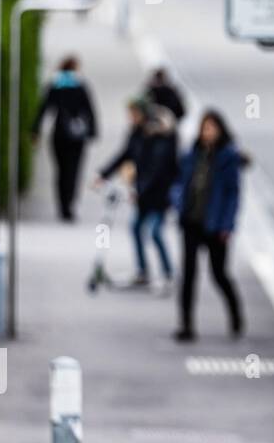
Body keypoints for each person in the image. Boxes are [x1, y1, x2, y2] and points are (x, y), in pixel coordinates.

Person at [171, 109, 247, 342]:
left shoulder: (228, 157)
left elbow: (233, 195)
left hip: (216, 226)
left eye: (211, 128)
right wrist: (177, 202)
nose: (207, 133)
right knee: (188, 276)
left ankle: (236, 317)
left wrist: (227, 226)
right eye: (204, 128)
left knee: (219, 274)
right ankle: (186, 324)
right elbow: (179, 181)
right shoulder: (193, 153)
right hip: (191, 221)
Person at [95, 98, 179, 292]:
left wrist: (140, 191)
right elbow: (125, 154)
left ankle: (168, 274)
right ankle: (143, 271)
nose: (130, 118)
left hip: (160, 193)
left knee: (155, 232)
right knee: (136, 228)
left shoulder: (162, 135)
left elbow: (158, 169)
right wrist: (103, 174)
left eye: (134, 114)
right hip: (143, 192)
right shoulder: (136, 133)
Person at [31, 56, 97, 222]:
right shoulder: (81, 86)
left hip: (59, 134)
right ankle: (69, 205)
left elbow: (43, 109)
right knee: (73, 171)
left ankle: (62, 205)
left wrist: (35, 131)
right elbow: (90, 110)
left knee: (60, 172)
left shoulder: (55, 84)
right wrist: (92, 131)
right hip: (77, 136)